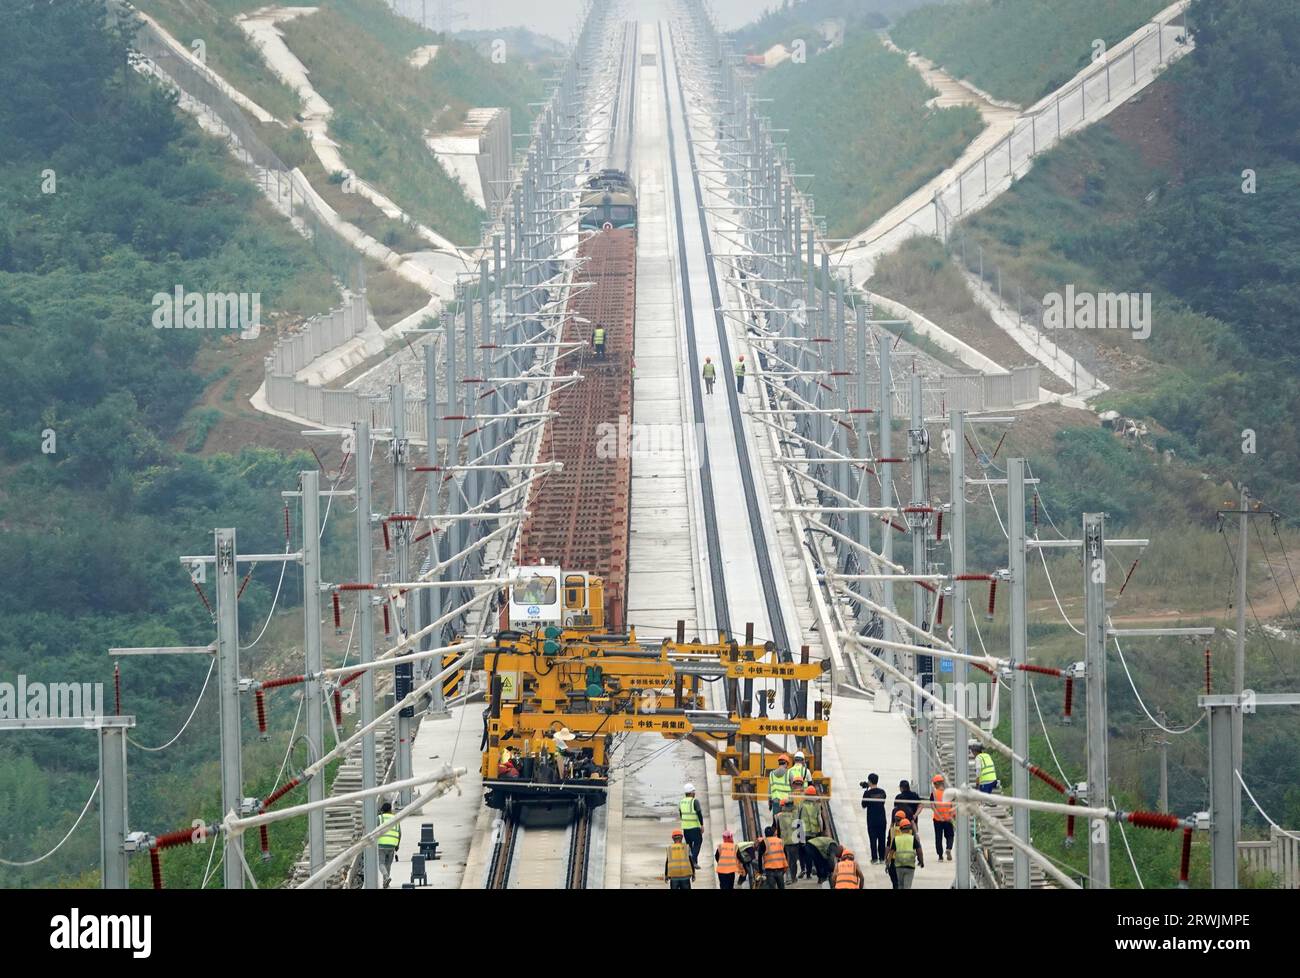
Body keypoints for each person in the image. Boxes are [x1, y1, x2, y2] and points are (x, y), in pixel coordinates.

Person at [795, 785, 823, 879]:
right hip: (813, 832)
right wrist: (821, 830)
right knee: (811, 852)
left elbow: (797, 817)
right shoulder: (817, 805)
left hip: (802, 832)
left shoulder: (801, 804)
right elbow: (820, 819)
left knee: (802, 851)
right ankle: (809, 872)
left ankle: (803, 869)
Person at [889, 817, 924, 889]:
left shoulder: (896, 839)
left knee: (900, 886)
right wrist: (921, 861)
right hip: (910, 866)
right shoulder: (913, 839)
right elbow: (919, 851)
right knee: (907, 886)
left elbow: (891, 853)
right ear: (909, 829)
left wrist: (888, 863)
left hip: (899, 866)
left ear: (900, 829)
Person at [861, 773, 888, 864]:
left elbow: (863, 805)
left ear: (869, 781)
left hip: (872, 820)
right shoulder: (882, 792)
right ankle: (882, 858)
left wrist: (866, 791)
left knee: (873, 839)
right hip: (882, 819)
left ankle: (874, 858)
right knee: (882, 838)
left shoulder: (867, 793)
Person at [678, 783, 705, 868]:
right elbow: (699, 813)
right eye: (694, 791)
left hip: (686, 828)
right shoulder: (694, 801)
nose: (695, 793)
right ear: (691, 792)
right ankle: (693, 861)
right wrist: (702, 825)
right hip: (694, 827)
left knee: (689, 845)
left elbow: (681, 814)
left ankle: (693, 862)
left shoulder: (681, 802)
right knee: (698, 842)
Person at [775, 798, 800, 884]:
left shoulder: (779, 816)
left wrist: (779, 840)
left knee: (785, 860)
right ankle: (793, 878)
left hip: (784, 842)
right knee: (793, 861)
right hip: (794, 841)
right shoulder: (795, 816)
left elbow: (778, 830)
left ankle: (788, 877)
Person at [930, 773, 955, 860]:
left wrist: (938, 815)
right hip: (948, 819)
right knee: (950, 836)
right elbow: (953, 806)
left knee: (938, 838)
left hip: (938, 819)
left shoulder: (934, 793)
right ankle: (948, 848)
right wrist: (953, 816)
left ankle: (940, 856)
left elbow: (932, 806)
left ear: (936, 784)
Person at [377, 802, 400, 889]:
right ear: (390, 810)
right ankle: (385, 883)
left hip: (382, 845)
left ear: (382, 810)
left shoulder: (380, 818)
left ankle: (386, 877)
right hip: (392, 845)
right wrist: (397, 845)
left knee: (381, 863)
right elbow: (399, 832)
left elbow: (374, 831)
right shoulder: (395, 819)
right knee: (388, 864)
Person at [758, 824, 787, 889]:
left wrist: (760, 871)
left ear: (765, 834)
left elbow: (760, 857)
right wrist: (785, 866)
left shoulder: (764, 842)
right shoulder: (780, 841)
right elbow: (785, 854)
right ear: (773, 833)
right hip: (780, 868)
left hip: (769, 870)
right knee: (781, 887)